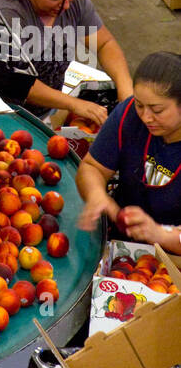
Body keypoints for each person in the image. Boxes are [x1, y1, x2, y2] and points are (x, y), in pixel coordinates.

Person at [0, 0, 133, 126]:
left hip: (44, 114)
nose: (65, 5)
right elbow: (17, 82)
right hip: (4, 117)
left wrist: (127, 93)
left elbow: (104, 44)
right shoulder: (8, 13)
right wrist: (75, 104)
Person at [77, 52, 181, 254]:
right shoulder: (129, 115)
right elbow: (92, 167)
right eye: (139, 105)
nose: (146, 117)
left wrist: (159, 234)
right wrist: (97, 194)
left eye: (157, 110)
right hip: (120, 249)